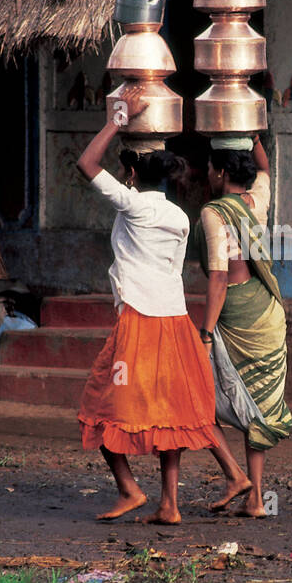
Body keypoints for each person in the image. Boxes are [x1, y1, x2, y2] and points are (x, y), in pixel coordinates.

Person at [74, 86, 221, 524]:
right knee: (169, 411)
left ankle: (129, 489)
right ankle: (169, 504)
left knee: (100, 404)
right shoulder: (180, 216)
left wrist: (119, 119)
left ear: (132, 173)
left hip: (139, 317)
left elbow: (85, 163)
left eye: (125, 171)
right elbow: (175, 270)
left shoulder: (133, 205)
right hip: (174, 319)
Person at [198, 135, 292, 517]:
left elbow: (219, 279)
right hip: (268, 313)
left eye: (209, 168)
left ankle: (237, 479)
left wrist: (205, 333)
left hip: (236, 313)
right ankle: (255, 499)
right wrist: (254, 137)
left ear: (221, 173)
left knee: (197, 397)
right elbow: (266, 170)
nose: (207, 174)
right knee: (260, 408)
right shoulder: (258, 201)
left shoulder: (214, 212)